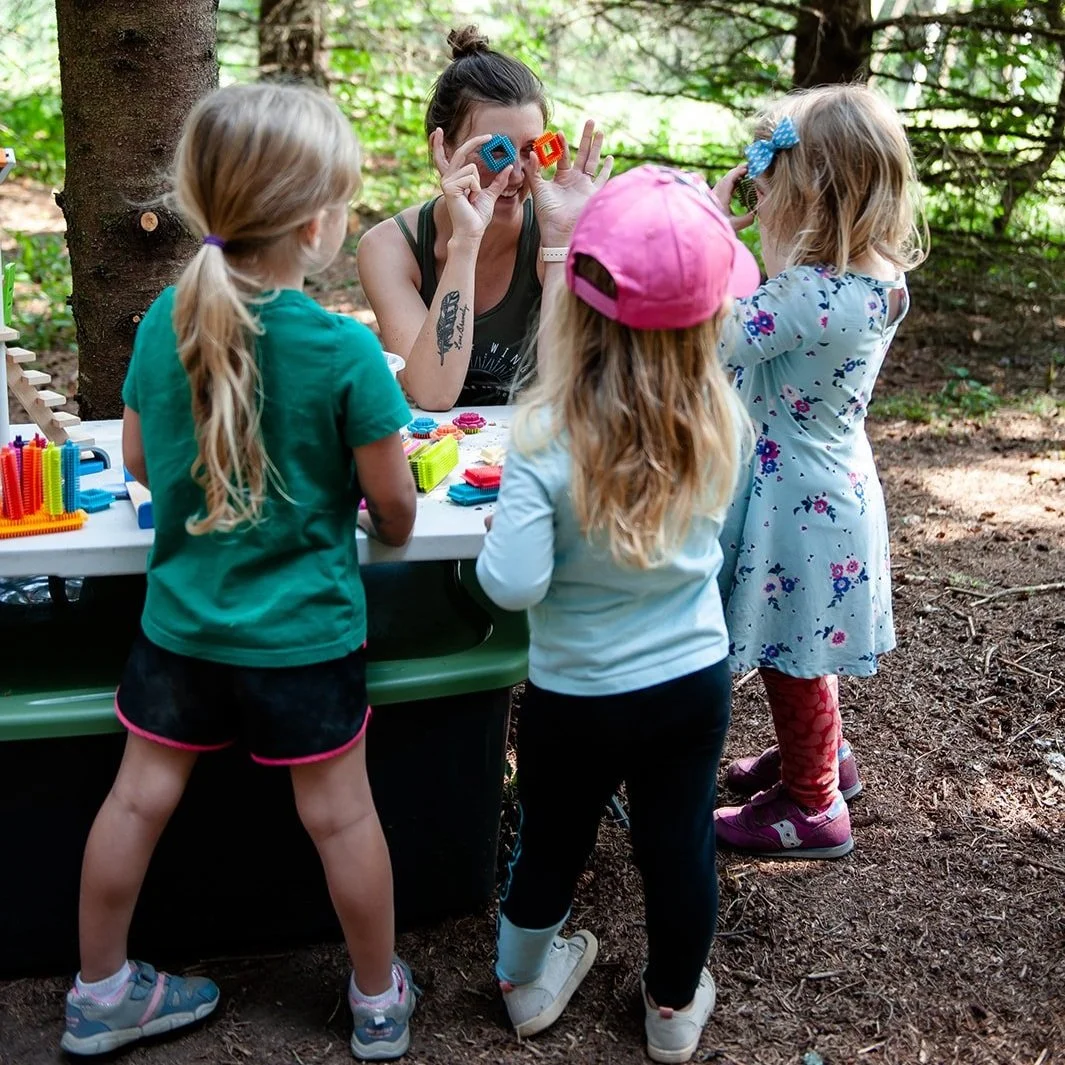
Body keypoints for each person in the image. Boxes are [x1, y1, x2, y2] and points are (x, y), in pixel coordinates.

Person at [60, 83, 419, 1060]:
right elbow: (395, 508)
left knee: (136, 799)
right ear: (316, 222)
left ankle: (99, 994)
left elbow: (136, 463)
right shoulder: (347, 350)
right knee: (341, 817)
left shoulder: (162, 326)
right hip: (305, 635)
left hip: (180, 627)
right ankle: (379, 1003)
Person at [476, 165, 760, 1064]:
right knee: (678, 843)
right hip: (689, 682)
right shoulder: (723, 423)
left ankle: (524, 985)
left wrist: (507, 532)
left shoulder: (541, 434)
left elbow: (511, 586)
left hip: (575, 693)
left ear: (576, 307)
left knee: (550, 839)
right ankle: (673, 1006)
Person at [711, 84, 928, 859]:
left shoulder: (804, 296)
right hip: (834, 482)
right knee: (800, 640)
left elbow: (712, 338)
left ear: (812, 194)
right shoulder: (879, 281)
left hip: (794, 501)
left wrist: (712, 229)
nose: (757, 185)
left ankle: (812, 804)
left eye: (771, 178)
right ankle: (821, 750)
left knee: (786, 653)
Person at [357, 25, 612, 411]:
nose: (513, 174)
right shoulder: (389, 248)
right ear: (443, 148)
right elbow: (433, 393)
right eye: (495, 151)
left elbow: (568, 393)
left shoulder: (555, 234)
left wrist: (561, 240)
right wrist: (466, 241)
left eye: (531, 151)